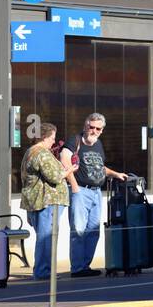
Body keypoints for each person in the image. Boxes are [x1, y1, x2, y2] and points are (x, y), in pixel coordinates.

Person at [61, 113, 127, 278]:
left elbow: (100, 167)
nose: (94, 131)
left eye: (98, 128)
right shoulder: (74, 141)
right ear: (85, 126)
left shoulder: (98, 144)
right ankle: (77, 268)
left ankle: (85, 265)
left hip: (97, 192)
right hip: (80, 191)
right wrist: (75, 187)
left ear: (102, 130)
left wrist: (116, 174)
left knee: (93, 230)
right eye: (91, 127)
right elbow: (65, 161)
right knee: (78, 230)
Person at [20, 122, 73, 280]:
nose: (53, 141)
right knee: (46, 237)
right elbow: (54, 177)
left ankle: (44, 270)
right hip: (46, 201)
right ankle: (43, 271)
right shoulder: (41, 153)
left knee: (46, 237)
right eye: (52, 138)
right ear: (44, 137)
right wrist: (69, 170)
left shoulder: (31, 152)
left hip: (39, 201)